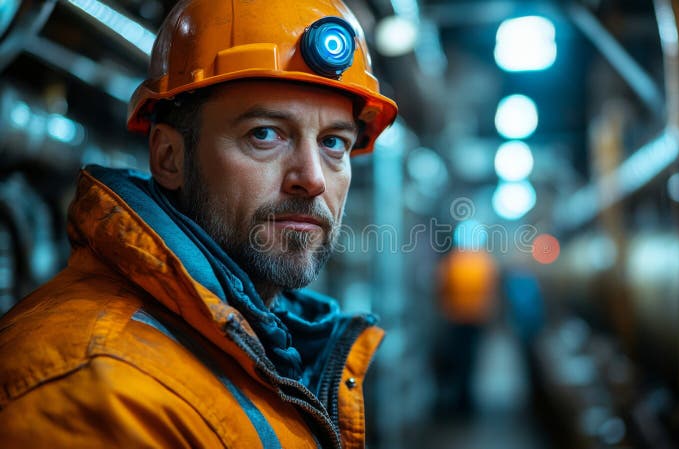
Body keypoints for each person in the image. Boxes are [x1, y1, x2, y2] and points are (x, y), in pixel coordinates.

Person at [0, 0, 397, 447]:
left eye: (333, 143)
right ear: (169, 157)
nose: (312, 179)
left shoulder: (267, 345)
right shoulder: (93, 394)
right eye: (264, 134)